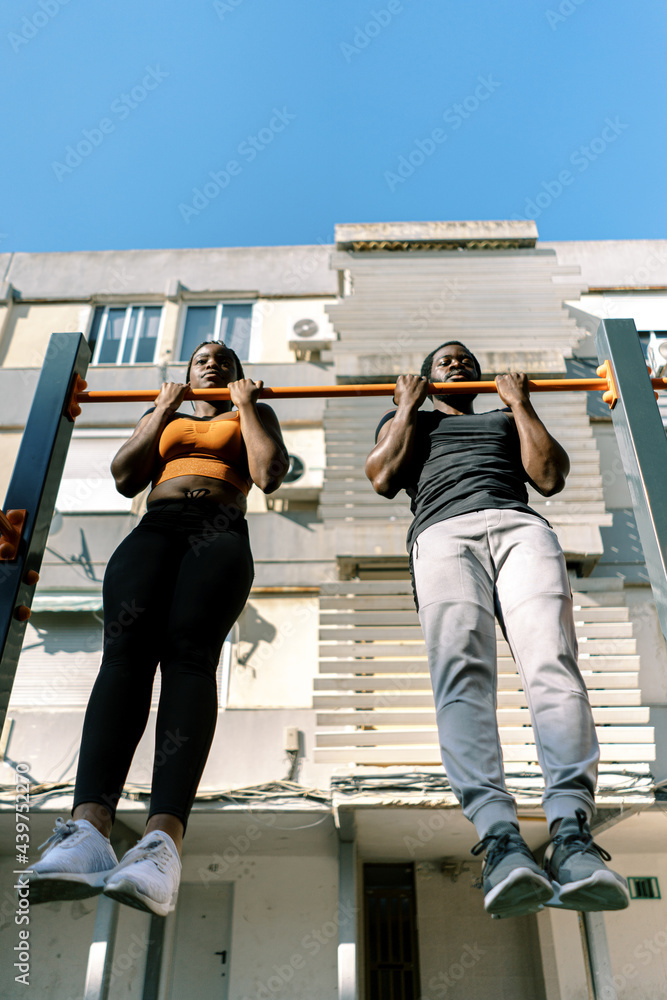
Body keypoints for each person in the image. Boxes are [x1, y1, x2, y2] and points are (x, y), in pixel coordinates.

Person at [22, 341, 289, 916]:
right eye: (201, 358)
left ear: (237, 373)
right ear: (187, 372)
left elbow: (268, 475)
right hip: (155, 529)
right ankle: (89, 831)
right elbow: (124, 477)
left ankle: (162, 845)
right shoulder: (165, 412)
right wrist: (162, 411)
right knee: (123, 657)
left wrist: (245, 407)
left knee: (190, 659)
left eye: (224, 358)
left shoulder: (252, 411)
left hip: (219, 528)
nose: (212, 363)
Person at [365, 341, 630, 919]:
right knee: (462, 673)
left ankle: (571, 834)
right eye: (443, 360)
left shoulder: (506, 415)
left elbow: (551, 477)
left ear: (482, 376)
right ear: (428, 377)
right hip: (442, 533)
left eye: (465, 358)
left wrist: (521, 404)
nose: (456, 362)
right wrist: (407, 407)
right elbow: (383, 477)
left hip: (520, 527)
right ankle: (501, 840)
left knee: (551, 664)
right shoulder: (410, 416)